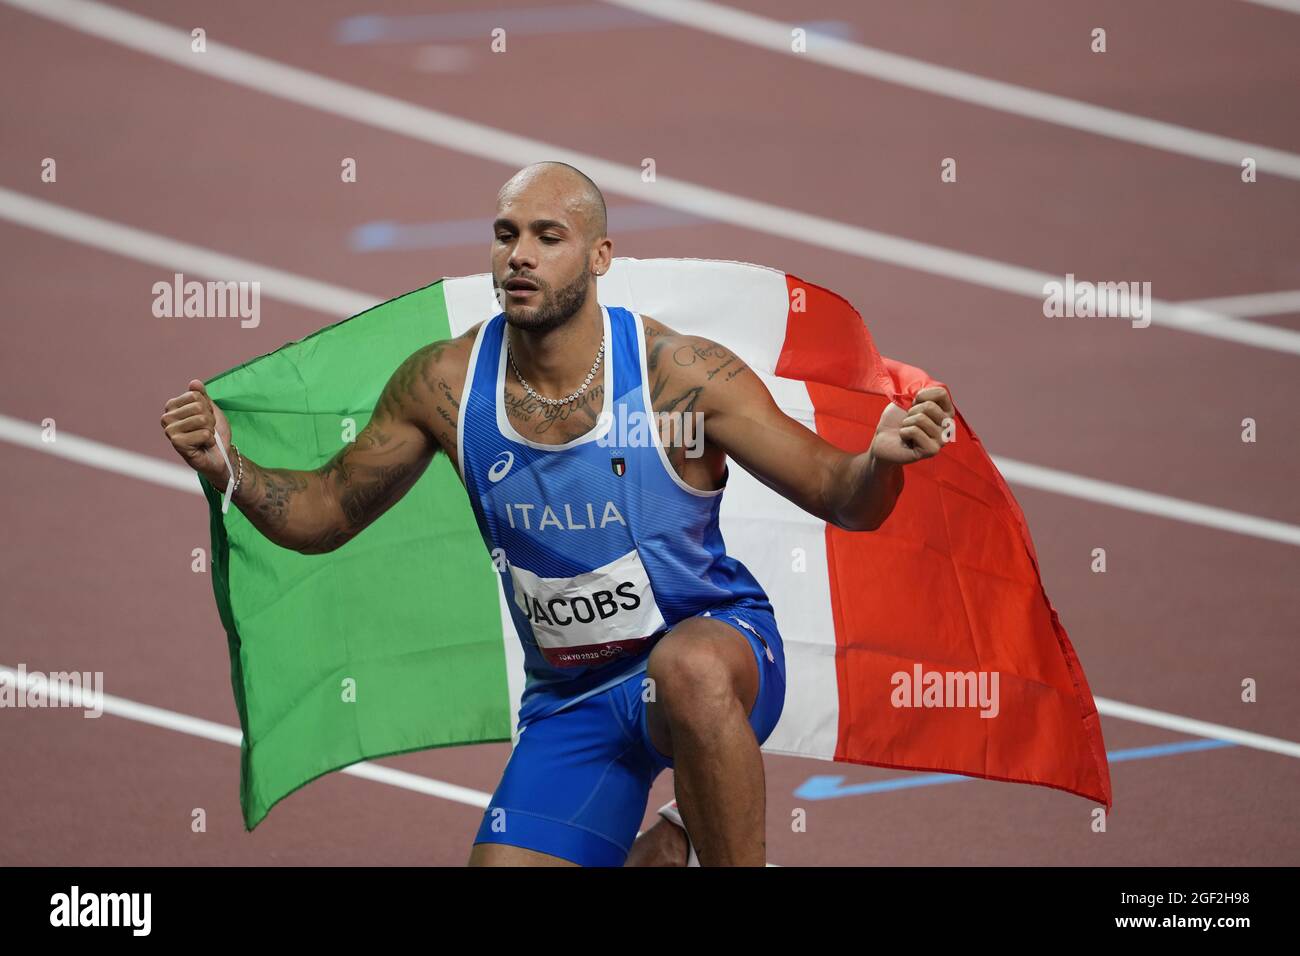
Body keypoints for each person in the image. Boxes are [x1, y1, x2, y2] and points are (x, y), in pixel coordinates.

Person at [161, 161, 954, 866]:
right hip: (573, 698)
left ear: (600, 257)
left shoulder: (677, 377)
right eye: (506, 236)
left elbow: (839, 496)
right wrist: (228, 466)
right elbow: (326, 512)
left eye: (549, 236)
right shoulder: (443, 386)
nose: (520, 256)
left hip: (718, 656)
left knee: (685, 669)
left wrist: (878, 461)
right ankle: (675, 841)